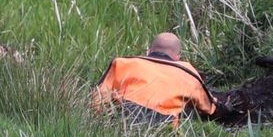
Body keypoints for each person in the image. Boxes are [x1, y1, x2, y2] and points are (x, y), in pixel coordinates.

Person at [91, 32, 220, 126]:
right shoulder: (188, 72)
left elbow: (97, 102)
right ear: (178, 57)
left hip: (124, 118)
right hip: (163, 126)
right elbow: (209, 108)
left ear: (149, 51)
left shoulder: (121, 64)